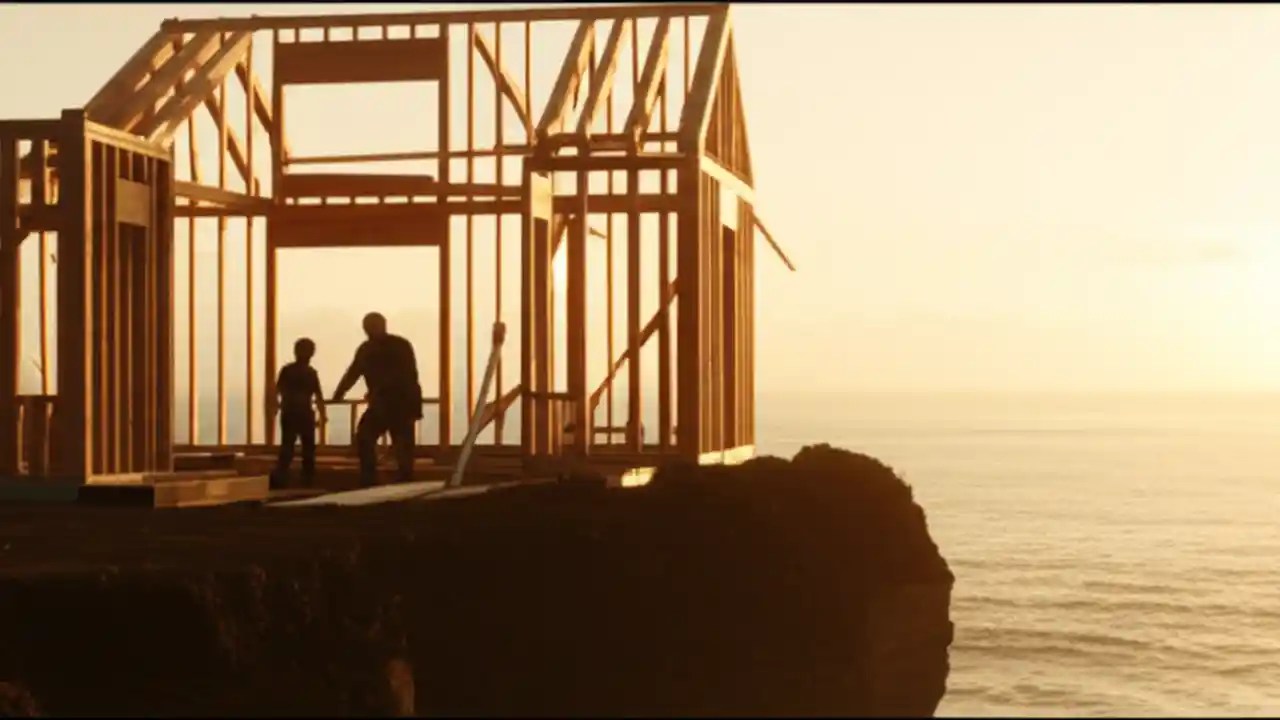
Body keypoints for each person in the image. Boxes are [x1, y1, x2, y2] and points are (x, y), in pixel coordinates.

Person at [332, 312, 423, 487]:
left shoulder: (375, 348)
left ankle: (376, 477)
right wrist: (340, 392)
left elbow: (407, 375)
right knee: (388, 441)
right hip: (393, 402)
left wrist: (340, 393)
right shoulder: (395, 346)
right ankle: (380, 477)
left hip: (395, 401)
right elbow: (354, 372)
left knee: (388, 440)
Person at [274, 337, 327, 488]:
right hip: (305, 414)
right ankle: (307, 481)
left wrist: (276, 407)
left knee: (287, 448)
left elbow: (277, 391)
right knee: (308, 450)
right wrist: (322, 416)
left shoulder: (287, 371)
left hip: (289, 413)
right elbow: (319, 396)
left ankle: (281, 479)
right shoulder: (310, 373)